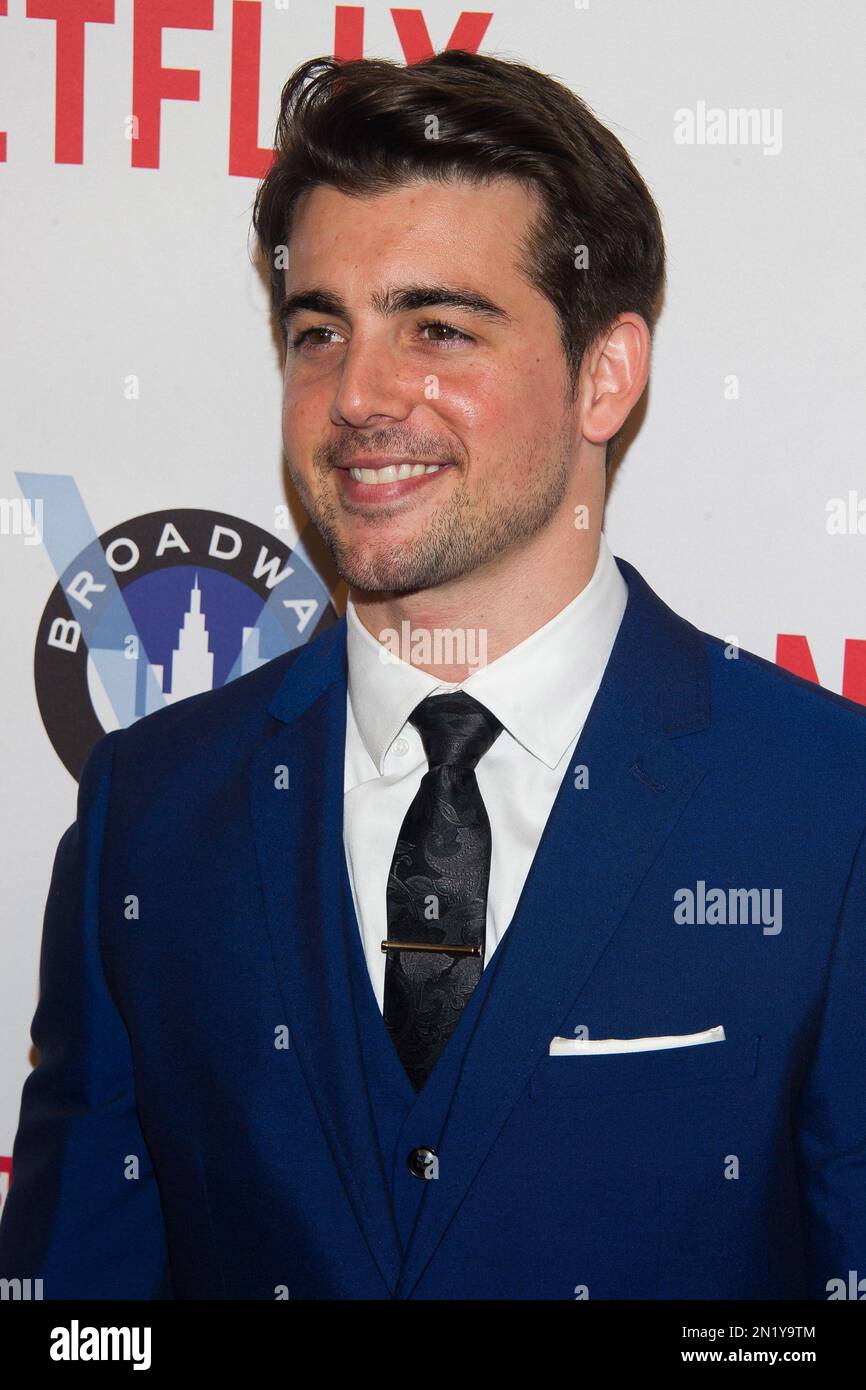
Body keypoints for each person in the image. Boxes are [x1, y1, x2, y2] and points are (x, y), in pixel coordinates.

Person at [1, 50, 864, 1301]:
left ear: (603, 374)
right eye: (319, 331)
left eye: (438, 329)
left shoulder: (827, 808)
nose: (356, 395)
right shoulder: (153, 810)